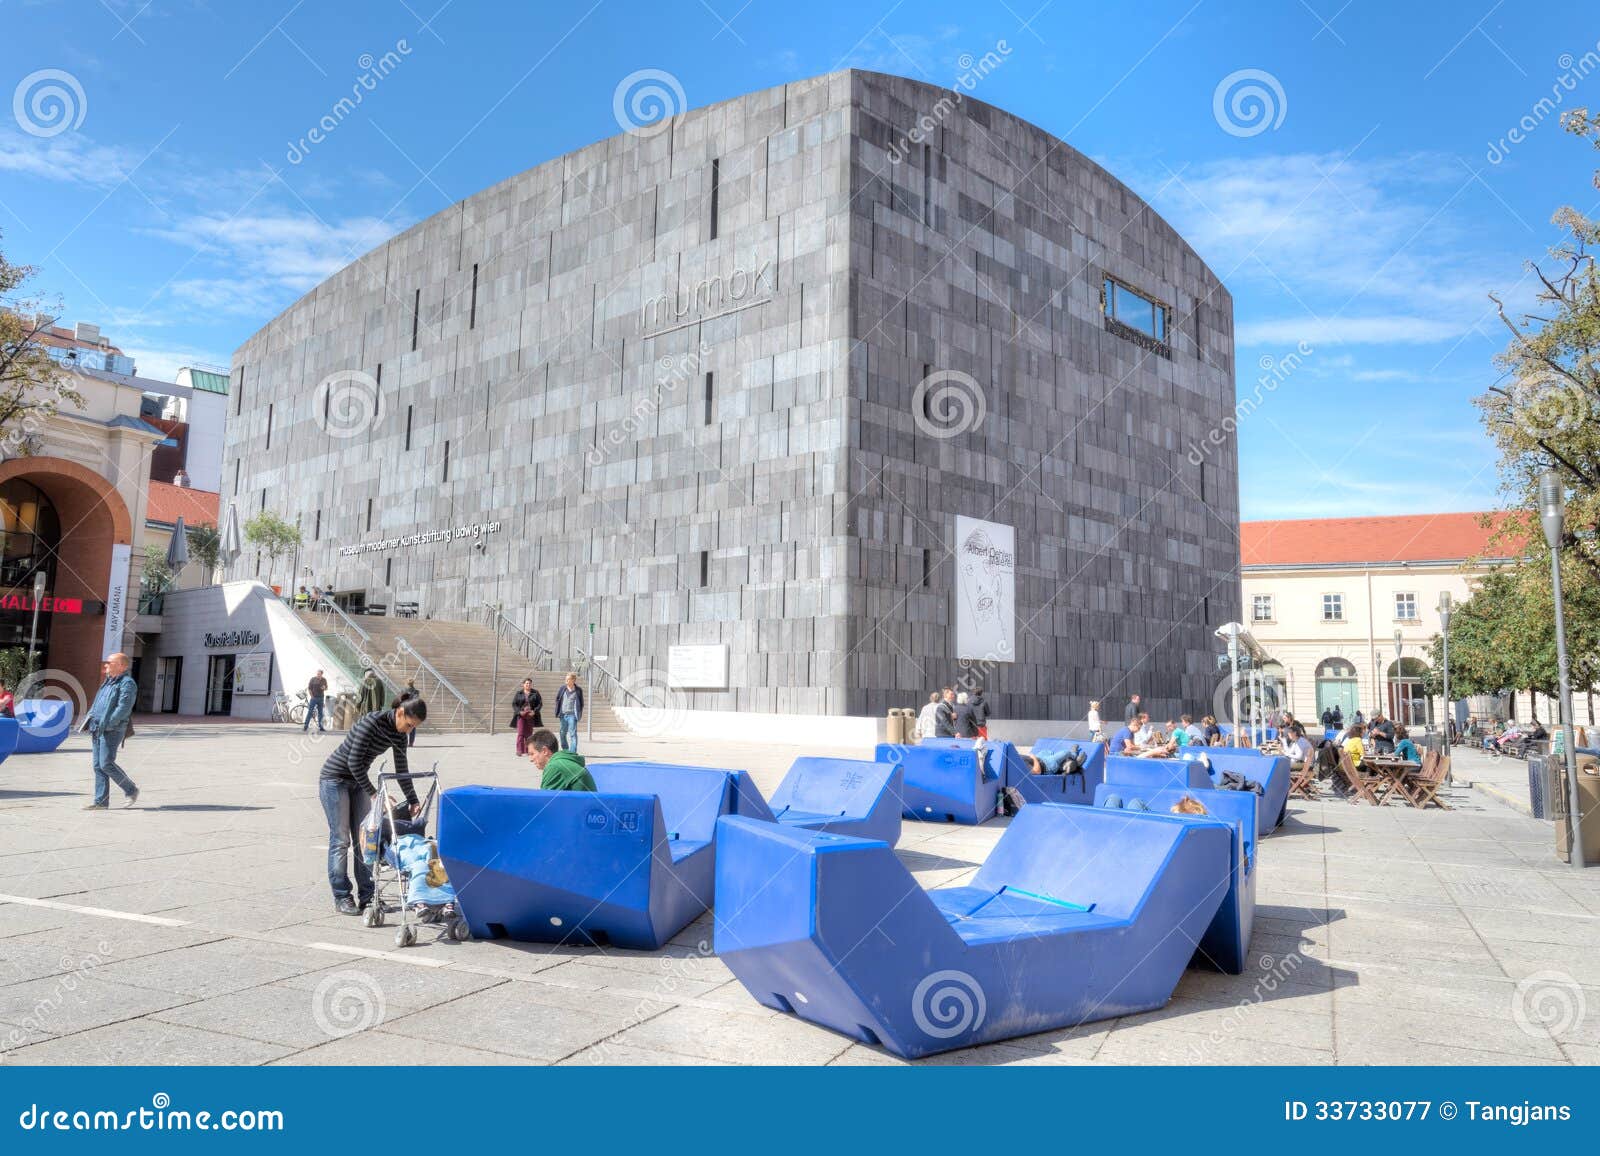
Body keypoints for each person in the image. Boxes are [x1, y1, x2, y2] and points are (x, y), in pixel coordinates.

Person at [318, 697, 427, 915]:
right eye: (408, 724)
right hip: (334, 779)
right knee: (340, 840)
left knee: (365, 839)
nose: (408, 730)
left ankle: (368, 897)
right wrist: (377, 795)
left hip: (358, 782)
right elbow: (353, 762)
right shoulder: (371, 722)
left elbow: (402, 770)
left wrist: (413, 799)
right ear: (399, 713)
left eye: (413, 728)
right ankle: (342, 896)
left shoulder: (399, 735)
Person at [85, 652, 139, 809]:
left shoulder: (127, 683)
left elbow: (123, 708)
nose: (106, 665)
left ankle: (131, 789)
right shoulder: (108, 682)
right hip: (96, 727)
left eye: (110, 663)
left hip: (112, 729)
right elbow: (98, 703)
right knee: (97, 765)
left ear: (122, 666)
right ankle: (101, 802)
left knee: (106, 763)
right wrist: (89, 718)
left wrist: (108, 723)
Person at [528, 727, 596, 790]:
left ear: (545, 751)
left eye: (532, 754)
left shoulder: (555, 766)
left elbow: (544, 799)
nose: (530, 759)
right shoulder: (562, 760)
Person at [511, 678, 543, 756]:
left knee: (529, 734)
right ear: (523, 684)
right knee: (521, 733)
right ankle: (519, 750)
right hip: (521, 715)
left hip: (530, 715)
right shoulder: (519, 693)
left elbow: (540, 704)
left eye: (529, 683)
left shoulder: (535, 693)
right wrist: (519, 712)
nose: (528, 685)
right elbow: (514, 704)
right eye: (526, 683)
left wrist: (534, 712)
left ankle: (528, 750)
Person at [554, 672, 584, 752]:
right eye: (566, 679)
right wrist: (558, 710)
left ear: (573, 680)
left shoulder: (578, 690)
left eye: (568, 679)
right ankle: (565, 749)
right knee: (562, 733)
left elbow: (581, 703)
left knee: (573, 733)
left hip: (572, 715)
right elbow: (558, 699)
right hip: (563, 715)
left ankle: (573, 751)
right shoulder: (562, 688)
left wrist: (578, 713)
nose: (566, 681)